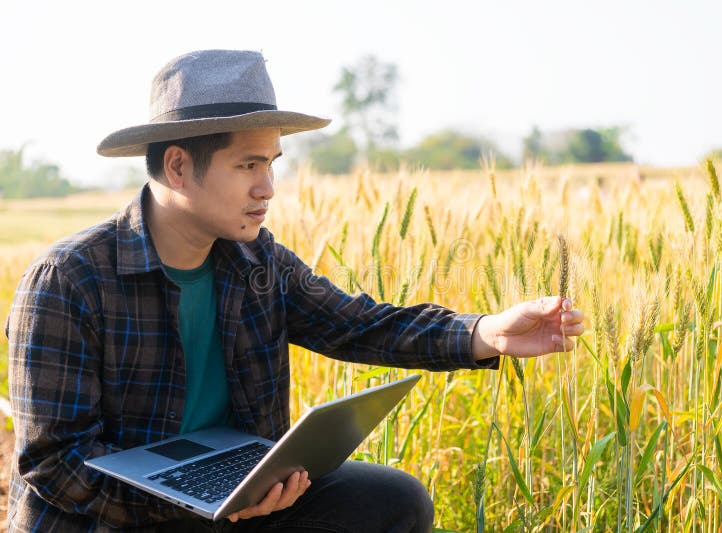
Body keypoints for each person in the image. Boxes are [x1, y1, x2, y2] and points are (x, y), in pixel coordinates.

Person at [4, 49, 585, 532]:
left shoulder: (260, 262)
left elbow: (359, 324)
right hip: (115, 520)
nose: (268, 187)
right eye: (248, 164)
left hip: (241, 498)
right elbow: (56, 465)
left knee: (395, 502)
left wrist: (486, 332)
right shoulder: (67, 281)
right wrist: (203, 502)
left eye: (273, 163)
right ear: (179, 166)